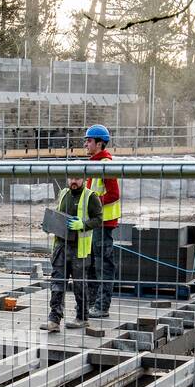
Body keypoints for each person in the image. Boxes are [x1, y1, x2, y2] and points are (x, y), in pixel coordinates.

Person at [40, 176, 102, 332]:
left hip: (79, 250)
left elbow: (99, 219)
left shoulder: (90, 196)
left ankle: (82, 317)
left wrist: (83, 225)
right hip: (61, 247)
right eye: (71, 178)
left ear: (84, 179)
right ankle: (54, 320)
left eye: (78, 178)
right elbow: (59, 216)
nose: (74, 181)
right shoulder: (63, 193)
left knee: (79, 285)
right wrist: (50, 224)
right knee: (57, 283)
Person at [84, 124, 121, 318]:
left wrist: (94, 204)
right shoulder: (95, 163)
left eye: (89, 141)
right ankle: (92, 304)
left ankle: (101, 306)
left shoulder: (105, 164)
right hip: (94, 224)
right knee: (91, 265)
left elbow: (114, 194)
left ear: (99, 143)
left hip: (103, 224)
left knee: (103, 266)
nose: (86, 144)